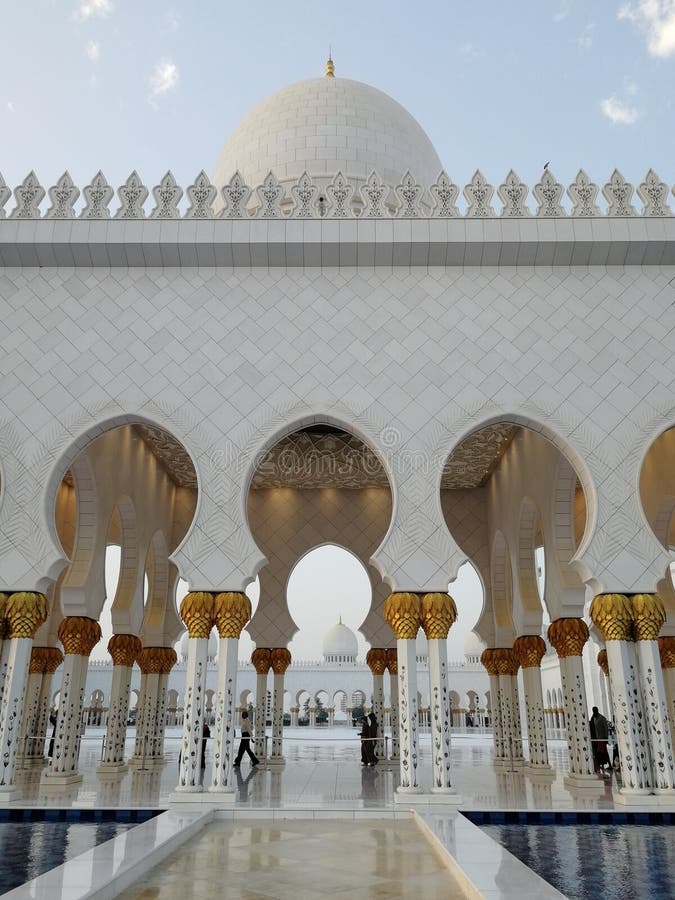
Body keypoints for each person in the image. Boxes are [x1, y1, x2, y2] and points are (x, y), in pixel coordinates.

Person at [589, 706, 610, 774]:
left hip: (602, 738)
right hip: (597, 739)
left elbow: (606, 728)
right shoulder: (594, 718)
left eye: (595, 710)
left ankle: (608, 764)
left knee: (604, 751)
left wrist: (606, 738)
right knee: (600, 752)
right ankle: (602, 764)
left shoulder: (602, 718)